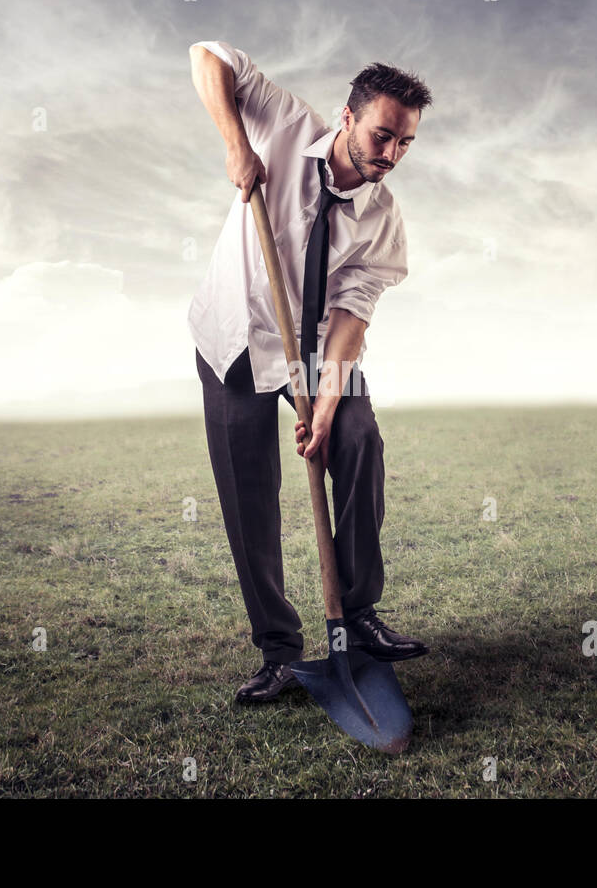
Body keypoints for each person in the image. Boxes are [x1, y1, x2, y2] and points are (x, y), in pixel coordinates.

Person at [187, 39, 432, 703]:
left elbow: (352, 319)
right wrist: (238, 146)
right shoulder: (287, 124)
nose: (390, 154)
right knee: (251, 493)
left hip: (321, 347)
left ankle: (356, 617)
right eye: (383, 135)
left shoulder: (383, 221)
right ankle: (279, 654)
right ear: (347, 119)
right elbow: (207, 55)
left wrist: (323, 407)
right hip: (235, 333)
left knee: (357, 438)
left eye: (405, 143)